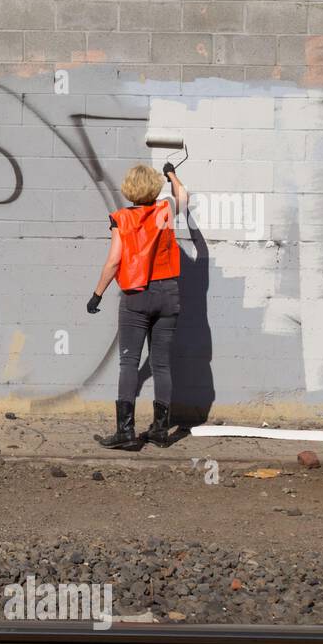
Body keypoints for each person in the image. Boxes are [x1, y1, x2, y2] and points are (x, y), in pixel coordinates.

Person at [86, 162, 189, 449]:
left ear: (130, 189)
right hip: (168, 293)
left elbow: (114, 261)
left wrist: (97, 294)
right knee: (162, 364)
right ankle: (159, 430)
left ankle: (126, 432)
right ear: (154, 187)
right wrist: (172, 174)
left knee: (129, 363)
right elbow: (184, 196)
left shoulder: (121, 218)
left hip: (137, 296)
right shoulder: (165, 212)